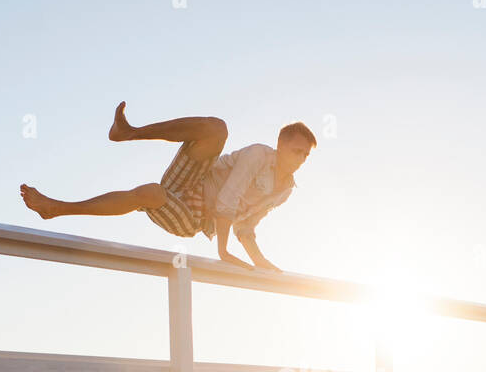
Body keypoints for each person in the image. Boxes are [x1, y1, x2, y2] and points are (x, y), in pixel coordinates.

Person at [21, 102, 315, 271]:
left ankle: (58, 208)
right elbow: (229, 197)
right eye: (296, 151)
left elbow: (247, 227)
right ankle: (129, 132)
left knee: (150, 192)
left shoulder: (285, 190)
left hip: (193, 215)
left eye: (305, 154)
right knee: (217, 129)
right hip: (195, 180)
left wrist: (263, 264)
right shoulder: (257, 155)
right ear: (280, 145)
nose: (300, 159)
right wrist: (223, 252)